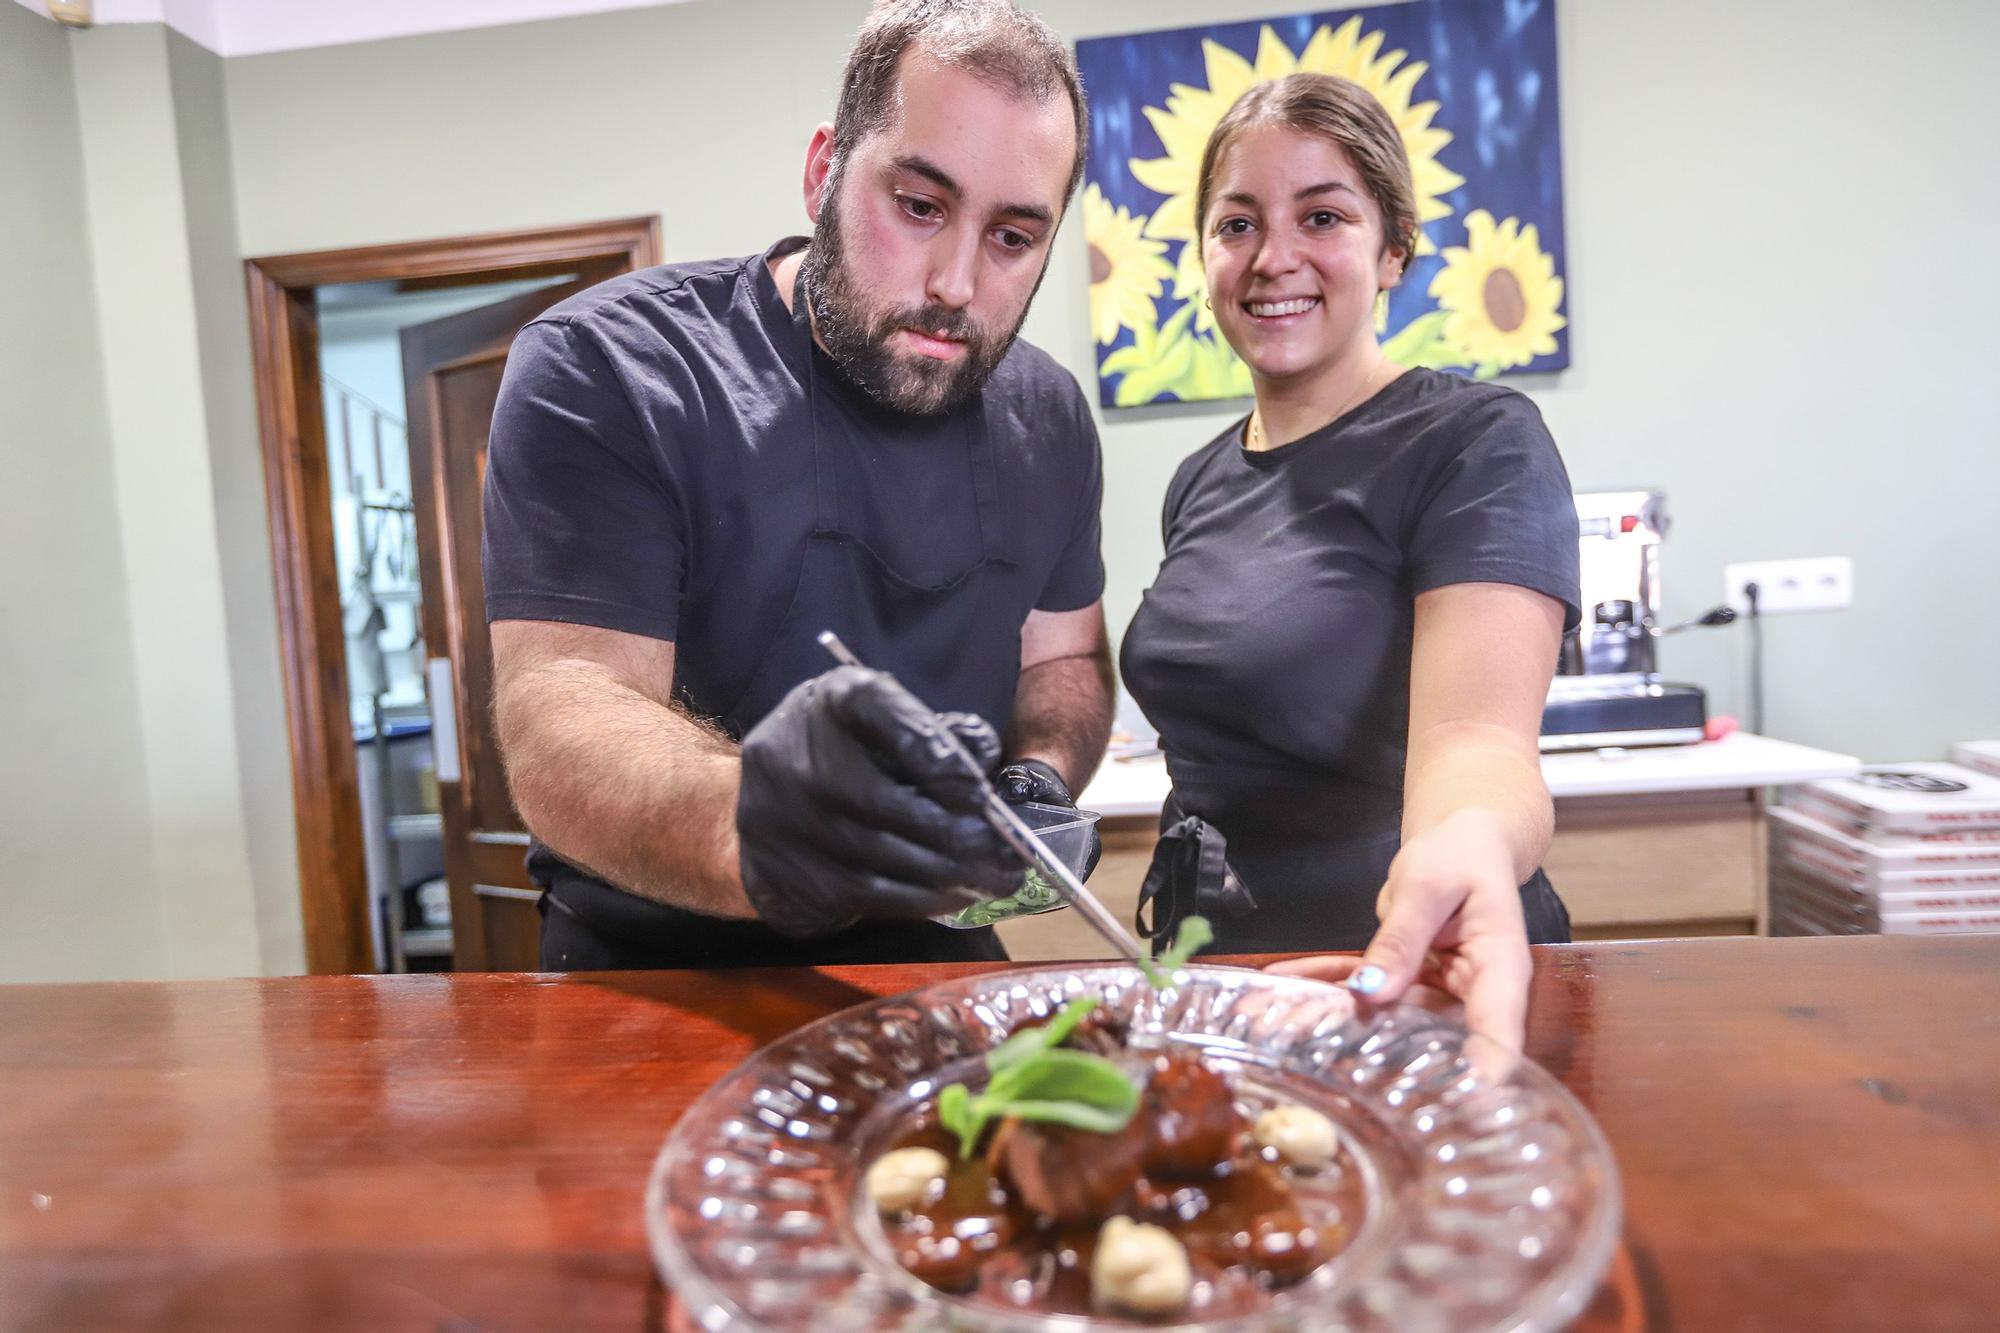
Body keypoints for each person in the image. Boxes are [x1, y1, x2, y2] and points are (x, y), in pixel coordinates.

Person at [481, 0, 1113, 970]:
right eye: (918, 206)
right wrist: (755, 822)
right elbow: (563, 711)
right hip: (650, 971)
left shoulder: (1048, 415)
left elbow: (1061, 661)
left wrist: (1034, 779)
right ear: (823, 171)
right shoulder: (609, 367)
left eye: (1012, 237)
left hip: (926, 952)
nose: (954, 281)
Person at [1119, 74, 1582, 1050]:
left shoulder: (1474, 440)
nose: (1271, 257)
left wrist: (1466, 840)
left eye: (1320, 215)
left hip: (1406, 971)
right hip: (1226, 976)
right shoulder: (1199, 477)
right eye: (1235, 223)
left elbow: (1478, 744)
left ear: (1391, 252)